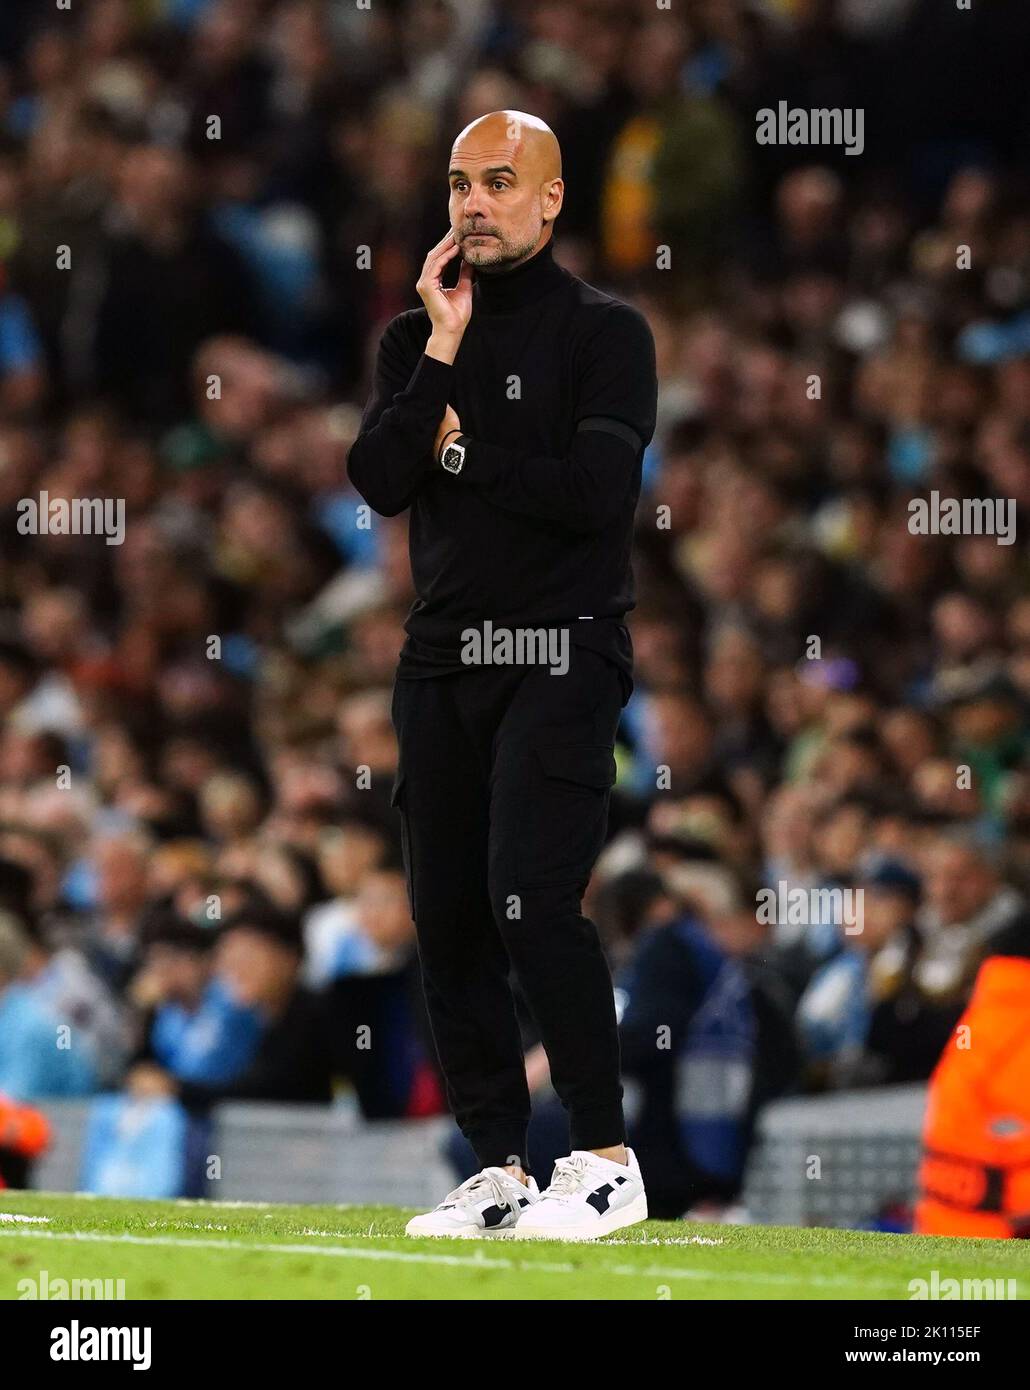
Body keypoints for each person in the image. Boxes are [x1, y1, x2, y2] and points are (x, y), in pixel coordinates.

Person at [347, 110, 658, 1239]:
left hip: (563, 645)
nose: (472, 201)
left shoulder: (606, 333)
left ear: (552, 198)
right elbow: (381, 477)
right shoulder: (414, 340)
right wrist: (438, 348)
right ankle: (497, 1167)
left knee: (530, 895)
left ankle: (605, 1155)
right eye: (458, 183)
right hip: (441, 656)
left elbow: (593, 494)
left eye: (497, 181)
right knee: (449, 915)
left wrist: (465, 454)